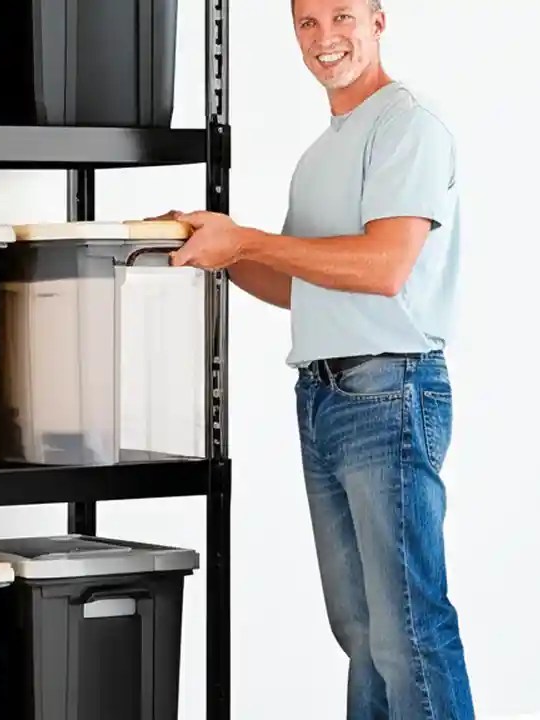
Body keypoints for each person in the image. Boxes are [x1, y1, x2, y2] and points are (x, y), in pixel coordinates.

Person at [157, 0, 474, 717]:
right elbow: (295, 282)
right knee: (361, 631)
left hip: (388, 391)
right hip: (327, 396)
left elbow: (384, 265)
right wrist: (213, 246)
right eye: (307, 23)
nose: (325, 38)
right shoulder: (325, 150)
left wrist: (244, 240)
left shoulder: (407, 124)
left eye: (342, 17)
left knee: (408, 633)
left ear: (378, 21)